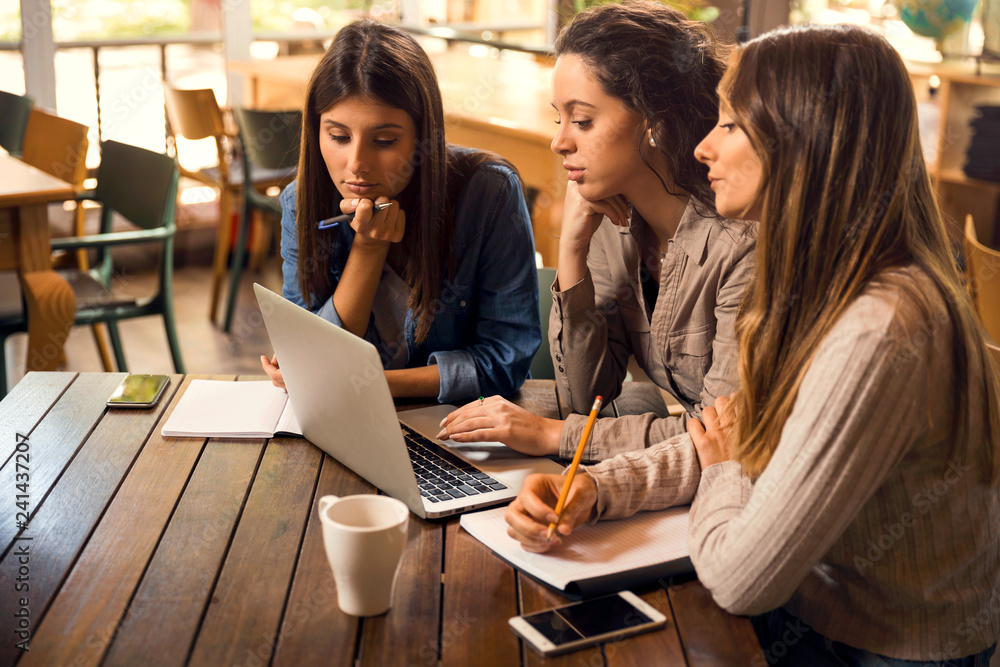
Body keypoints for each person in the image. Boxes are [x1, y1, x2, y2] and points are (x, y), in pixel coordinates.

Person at [505, 23, 1000, 665]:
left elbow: (740, 563)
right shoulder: (822, 279)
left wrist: (723, 467)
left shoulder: (879, 329)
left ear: (806, 145)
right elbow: (730, 438)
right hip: (808, 614)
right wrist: (600, 492)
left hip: (867, 647)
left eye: (731, 126)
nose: (703, 148)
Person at [437, 0, 755, 461]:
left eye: (582, 121)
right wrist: (571, 249)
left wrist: (552, 436)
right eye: (558, 118)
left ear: (655, 125)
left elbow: (718, 438)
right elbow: (586, 399)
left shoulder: (741, 248)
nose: (559, 140)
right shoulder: (611, 223)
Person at [261, 20, 541, 403]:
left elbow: (505, 362)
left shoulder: (490, 193)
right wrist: (368, 248)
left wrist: (370, 384)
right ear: (317, 131)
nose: (357, 163)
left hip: (456, 425)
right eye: (339, 137)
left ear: (423, 136)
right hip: (341, 421)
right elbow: (310, 360)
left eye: (385, 140)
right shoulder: (301, 202)